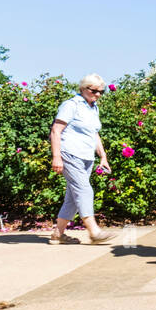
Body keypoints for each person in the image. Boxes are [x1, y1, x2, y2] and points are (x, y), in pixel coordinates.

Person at [49, 74, 116, 245]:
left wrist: (103, 156)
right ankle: (94, 232)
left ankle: (58, 234)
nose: (98, 94)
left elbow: (94, 133)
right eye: (94, 91)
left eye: (102, 91)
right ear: (83, 89)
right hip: (70, 154)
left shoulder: (93, 108)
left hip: (87, 157)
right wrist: (56, 157)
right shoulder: (71, 105)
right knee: (85, 190)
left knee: (72, 196)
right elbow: (56, 130)